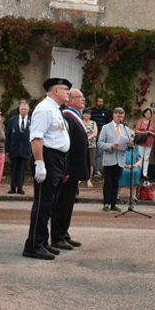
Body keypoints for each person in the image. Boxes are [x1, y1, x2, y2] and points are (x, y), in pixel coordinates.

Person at [23, 77, 70, 260]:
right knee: (43, 204)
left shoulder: (55, 109)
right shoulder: (44, 109)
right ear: (55, 90)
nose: (67, 93)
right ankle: (33, 245)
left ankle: (42, 241)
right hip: (48, 158)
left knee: (50, 204)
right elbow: (37, 138)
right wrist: (40, 163)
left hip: (57, 159)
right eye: (65, 89)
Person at [51, 87, 88, 246]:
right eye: (80, 97)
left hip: (75, 169)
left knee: (68, 204)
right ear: (70, 100)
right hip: (68, 169)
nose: (83, 99)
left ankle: (64, 233)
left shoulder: (76, 116)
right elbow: (65, 145)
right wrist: (65, 170)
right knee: (62, 203)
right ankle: (58, 236)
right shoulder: (67, 116)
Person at [97, 105, 132, 211]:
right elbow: (100, 143)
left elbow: (129, 142)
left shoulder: (126, 128)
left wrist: (129, 144)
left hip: (120, 159)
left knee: (116, 182)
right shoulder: (106, 127)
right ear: (114, 115)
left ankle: (113, 203)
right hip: (109, 159)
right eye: (118, 116)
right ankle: (106, 203)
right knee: (108, 182)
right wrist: (111, 146)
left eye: (122, 117)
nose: (120, 119)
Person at [6, 99, 32, 194]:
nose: (23, 111)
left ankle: (20, 187)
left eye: (25, 109)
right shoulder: (12, 120)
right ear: (19, 109)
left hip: (26, 148)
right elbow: (8, 135)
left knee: (22, 169)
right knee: (14, 169)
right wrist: (7, 149)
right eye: (22, 109)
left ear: (28, 110)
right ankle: (13, 187)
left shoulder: (32, 120)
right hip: (14, 148)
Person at [133, 108, 155, 183]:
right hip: (141, 141)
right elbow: (136, 130)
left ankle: (145, 173)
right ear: (144, 113)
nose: (148, 114)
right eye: (147, 113)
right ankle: (139, 172)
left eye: (149, 113)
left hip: (149, 142)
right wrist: (144, 132)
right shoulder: (140, 121)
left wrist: (150, 132)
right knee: (140, 157)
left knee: (146, 158)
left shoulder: (152, 123)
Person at [82, 108, 97, 188]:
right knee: (82, 162)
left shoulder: (93, 123)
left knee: (91, 163)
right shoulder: (80, 122)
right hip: (82, 145)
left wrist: (87, 138)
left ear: (90, 115)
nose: (87, 115)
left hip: (92, 145)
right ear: (82, 114)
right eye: (85, 113)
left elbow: (95, 133)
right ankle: (80, 178)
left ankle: (89, 179)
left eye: (88, 114)